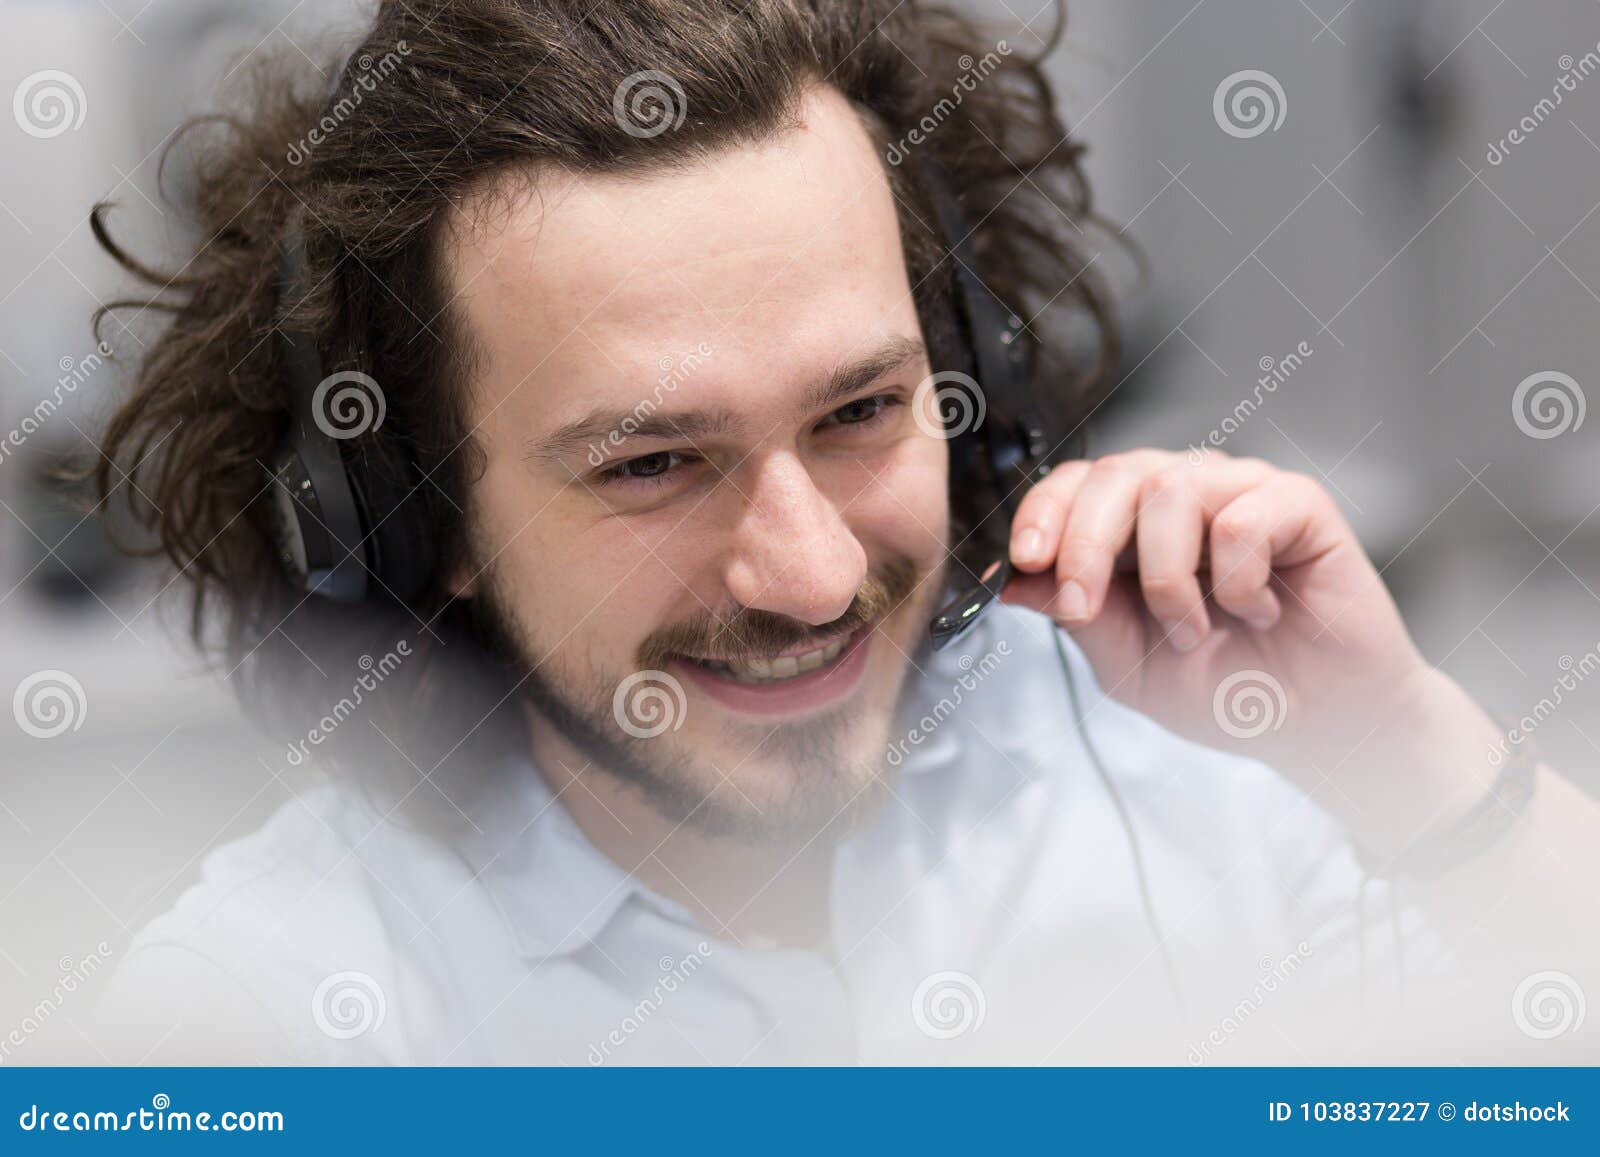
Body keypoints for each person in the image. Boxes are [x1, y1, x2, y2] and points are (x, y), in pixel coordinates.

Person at [87, 0, 1597, 1064]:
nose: (811, 574)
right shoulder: (282, 1006)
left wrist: (1400, 747)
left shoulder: (1184, 772)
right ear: (421, 508)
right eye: (655, 463)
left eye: (862, 411)